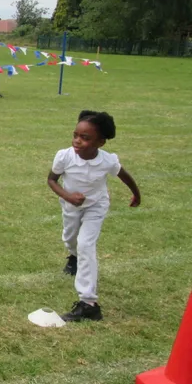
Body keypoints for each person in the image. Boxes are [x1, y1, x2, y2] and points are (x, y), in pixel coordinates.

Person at [47, 110, 141, 322]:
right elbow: (52, 180)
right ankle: (73, 257)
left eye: (85, 138)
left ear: (101, 142)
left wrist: (136, 194)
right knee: (70, 239)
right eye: (75, 135)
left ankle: (89, 303)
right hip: (71, 205)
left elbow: (125, 176)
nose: (77, 141)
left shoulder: (108, 161)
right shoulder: (65, 156)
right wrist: (68, 196)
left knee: (86, 244)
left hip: (96, 206)